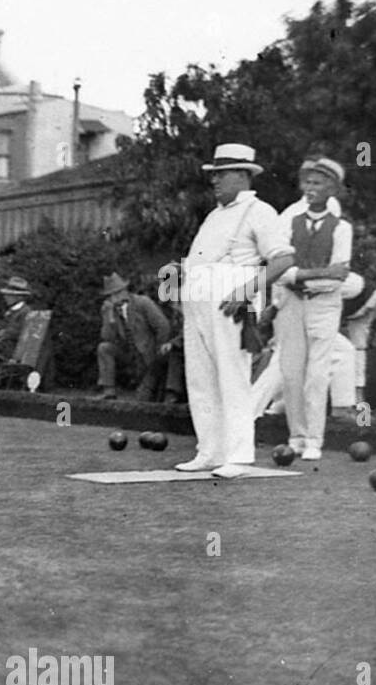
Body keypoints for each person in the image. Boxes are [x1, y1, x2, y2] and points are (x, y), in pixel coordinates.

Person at [169, 143, 293, 479]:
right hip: (198, 304)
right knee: (200, 379)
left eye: (221, 174)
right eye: (214, 174)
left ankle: (239, 455)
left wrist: (247, 290)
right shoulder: (213, 215)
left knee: (232, 379)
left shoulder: (260, 211)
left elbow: (282, 259)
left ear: (243, 174)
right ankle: (209, 451)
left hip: (229, 305)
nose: (215, 180)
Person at [267, 157, 355, 460]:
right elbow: (282, 270)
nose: (310, 189)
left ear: (332, 188)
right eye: (307, 182)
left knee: (317, 375)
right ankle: (297, 435)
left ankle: (315, 440)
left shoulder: (342, 228)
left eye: (317, 183)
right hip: (292, 302)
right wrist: (317, 273)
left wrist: (303, 275)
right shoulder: (289, 222)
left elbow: (338, 276)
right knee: (291, 372)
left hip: (324, 306)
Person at [95, 272, 173, 400]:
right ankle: (109, 391)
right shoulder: (110, 311)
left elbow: (163, 326)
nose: (114, 298)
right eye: (111, 295)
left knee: (142, 400)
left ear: (125, 291)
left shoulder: (142, 303)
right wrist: (109, 318)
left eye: (117, 293)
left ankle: (148, 386)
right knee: (104, 348)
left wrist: (159, 351)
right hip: (129, 356)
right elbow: (107, 337)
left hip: (148, 355)